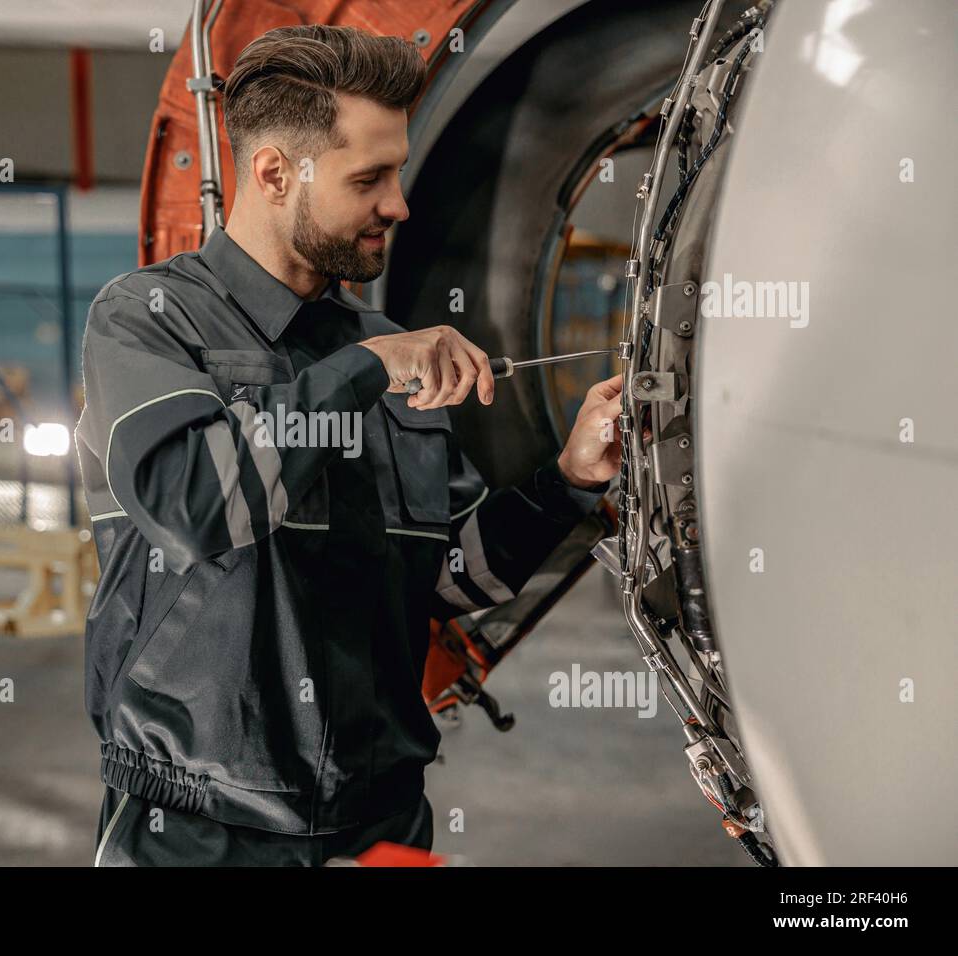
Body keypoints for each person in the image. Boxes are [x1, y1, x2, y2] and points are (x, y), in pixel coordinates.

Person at [74, 24, 622, 866]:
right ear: (271, 173)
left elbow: (450, 573)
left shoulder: (384, 348)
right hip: (199, 834)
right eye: (369, 178)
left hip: (380, 826)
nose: (398, 203)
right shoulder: (151, 321)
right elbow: (195, 504)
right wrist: (360, 370)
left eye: (396, 172)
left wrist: (568, 482)